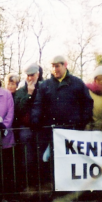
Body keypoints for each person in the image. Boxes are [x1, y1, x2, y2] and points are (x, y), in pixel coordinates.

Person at [31, 55, 93, 185]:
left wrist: (82, 121)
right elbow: (38, 104)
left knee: (72, 161)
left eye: (57, 66)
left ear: (65, 65)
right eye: (53, 66)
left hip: (72, 131)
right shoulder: (45, 86)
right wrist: (36, 119)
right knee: (52, 161)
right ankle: (56, 190)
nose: (55, 69)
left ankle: (72, 191)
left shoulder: (77, 83)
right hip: (52, 132)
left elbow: (87, 103)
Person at [14, 63, 42, 190]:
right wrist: (29, 95)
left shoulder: (44, 87)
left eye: (32, 75)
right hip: (26, 128)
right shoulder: (20, 92)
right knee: (27, 159)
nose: (30, 78)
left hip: (41, 128)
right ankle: (28, 187)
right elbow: (18, 110)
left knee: (42, 159)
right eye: (28, 76)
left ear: (38, 74)